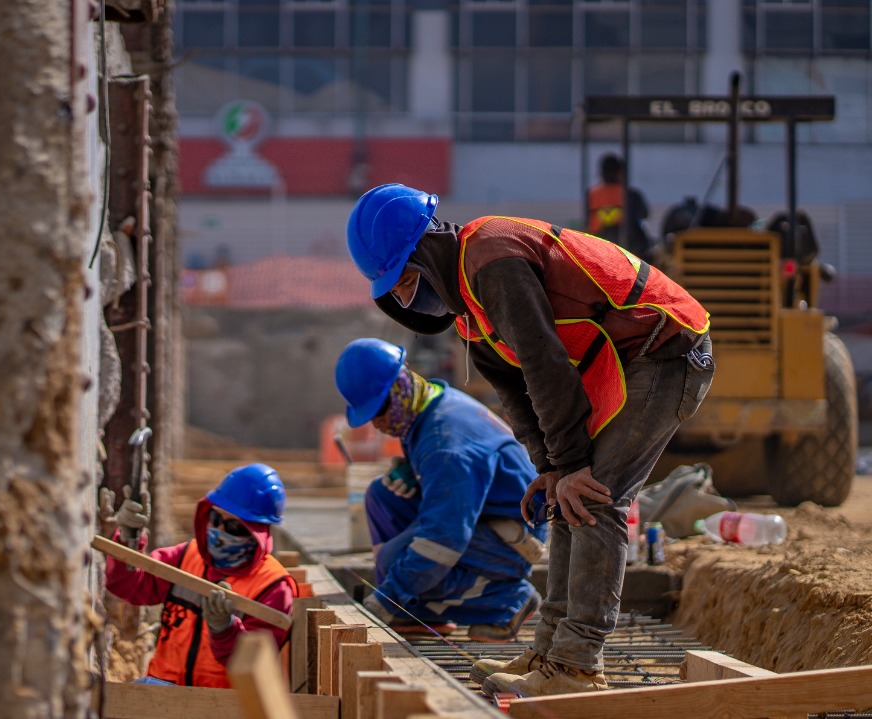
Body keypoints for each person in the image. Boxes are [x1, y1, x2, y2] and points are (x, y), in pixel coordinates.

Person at [345, 183, 715, 696]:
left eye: (407, 281)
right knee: (567, 497)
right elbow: (517, 395)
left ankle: (578, 664)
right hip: (621, 360)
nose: (409, 298)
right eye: (399, 292)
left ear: (427, 250)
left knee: (595, 498)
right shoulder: (470, 311)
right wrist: (550, 467)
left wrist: (572, 465)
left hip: (667, 348)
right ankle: (550, 651)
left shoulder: (492, 260)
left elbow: (543, 363)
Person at [334, 338, 547, 642]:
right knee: (382, 496)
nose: (378, 423)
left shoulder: (446, 445)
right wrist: (416, 470)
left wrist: (386, 599)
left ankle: (509, 601)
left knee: (399, 561)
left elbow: (443, 539)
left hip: (511, 534)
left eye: (380, 408)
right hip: (482, 513)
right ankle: (416, 613)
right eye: (370, 415)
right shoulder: (427, 407)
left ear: (402, 385)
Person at [98, 464, 298, 688]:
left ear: (258, 532)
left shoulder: (272, 587)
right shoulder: (186, 557)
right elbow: (127, 585)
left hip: (224, 707)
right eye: (216, 518)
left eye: (234, 526)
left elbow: (257, 664)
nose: (220, 531)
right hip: (160, 695)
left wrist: (225, 629)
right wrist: (127, 540)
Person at [587, 153, 653, 262]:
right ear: (620, 173)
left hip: (596, 247)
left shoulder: (592, 194)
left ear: (601, 173)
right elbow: (644, 214)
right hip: (628, 251)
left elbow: (588, 223)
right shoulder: (630, 194)